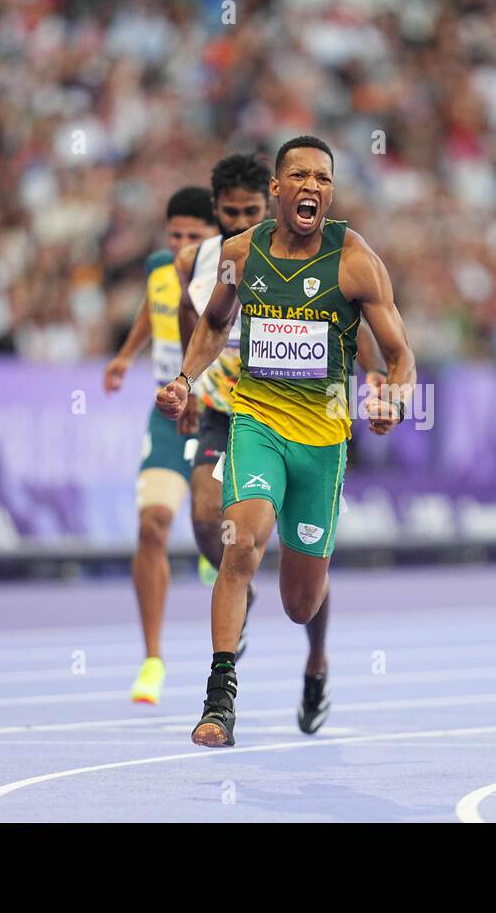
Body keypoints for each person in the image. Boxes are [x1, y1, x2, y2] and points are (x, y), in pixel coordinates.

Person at [156, 135, 416, 747]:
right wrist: (185, 380)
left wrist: (394, 401)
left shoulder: (355, 261)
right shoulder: (238, 255)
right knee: (239, 539)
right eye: (298, 175)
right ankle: (220, 699)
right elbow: (216, 323)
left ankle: (316, 660)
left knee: (300, 601)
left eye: (323, 179)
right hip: (257, 422)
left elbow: (401, 355)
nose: (312, 187)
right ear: (276, 189)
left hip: (323, 444)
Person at [103, 187, 217, 705]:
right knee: (152, 524)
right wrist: (127, 355)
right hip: (169, 409)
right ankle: (152, 659)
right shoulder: (157, 267)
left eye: (195, 236)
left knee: (215, 524)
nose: (182, 246)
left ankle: (213, 547)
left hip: (222, 412)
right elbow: (153, 312)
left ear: (214, 237)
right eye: (175, 235)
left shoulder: (233, 273)